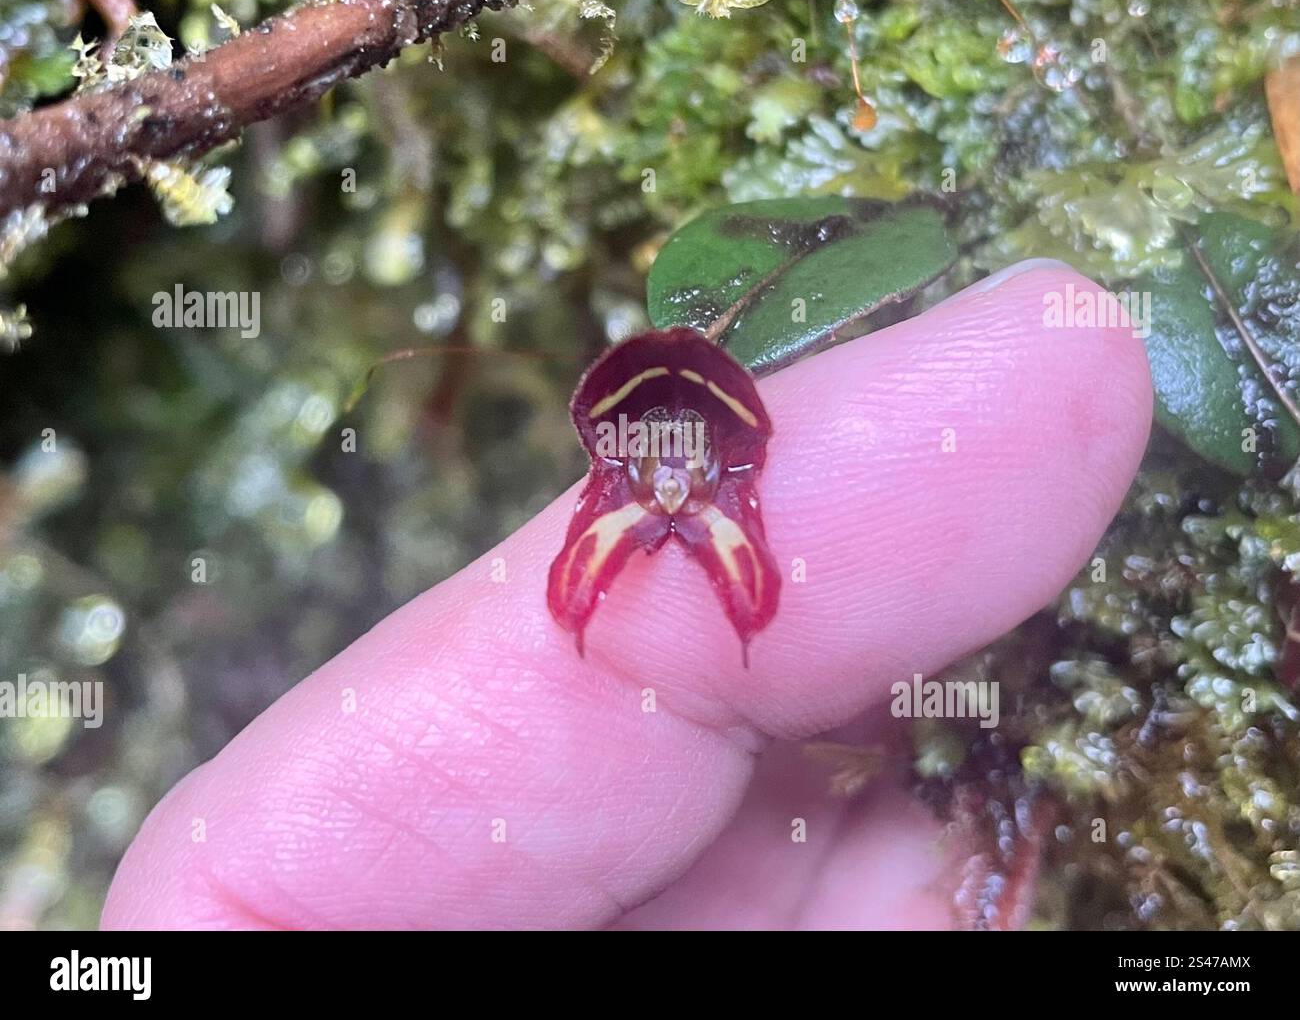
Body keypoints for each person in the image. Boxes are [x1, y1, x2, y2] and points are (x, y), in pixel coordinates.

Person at [101, 260, 1153, 930]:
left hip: (716, 462)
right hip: (676, 466)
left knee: (736, 600)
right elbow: (585, 577)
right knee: (607, 602)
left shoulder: (711, 459)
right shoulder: (627, 481)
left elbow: (732, 552)